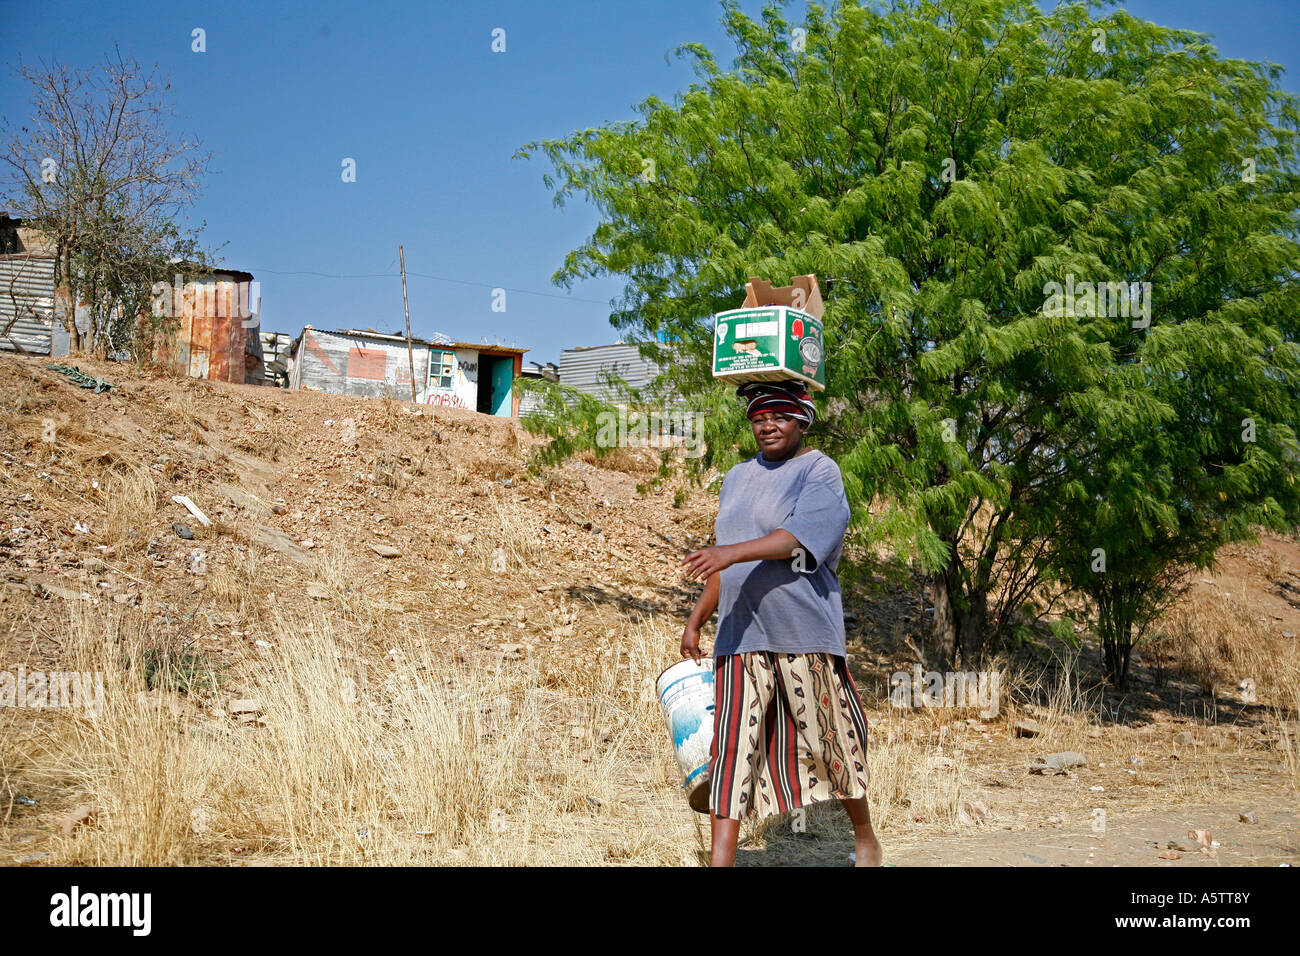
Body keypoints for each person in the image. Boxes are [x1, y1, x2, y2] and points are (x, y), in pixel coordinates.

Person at [680, 379, 882, 867]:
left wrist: (729, 552)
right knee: (732, 752)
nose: (768, 425)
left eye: (780, 416)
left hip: (802, 632)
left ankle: (865, 837)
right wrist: (696, 620)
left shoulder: (819, 472)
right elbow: (723, 562)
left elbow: (795, 540)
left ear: (802, 420)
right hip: (739, 636)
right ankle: (721, 862)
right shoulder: (736, 476)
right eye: (758, 417)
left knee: (829, 738)